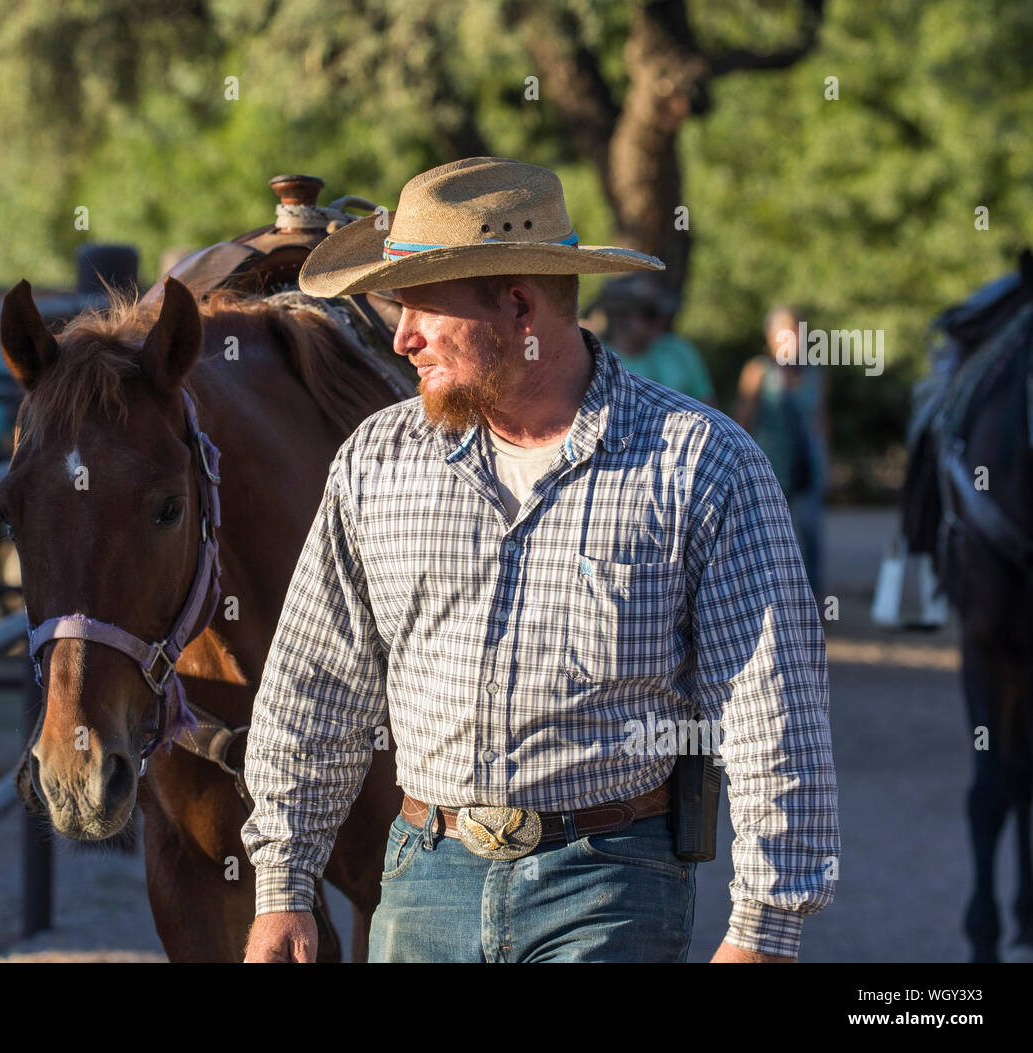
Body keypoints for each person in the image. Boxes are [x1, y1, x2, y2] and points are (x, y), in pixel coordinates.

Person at [240, 157, 838, 963]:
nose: (400, 335)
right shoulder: (376, 462)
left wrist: (764, 930)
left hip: (611, 884)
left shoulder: (701, 463)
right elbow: (315, 684)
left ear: (520, 306)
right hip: (424, 879)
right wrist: (283, 884)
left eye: (420, 306)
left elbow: (773, 708)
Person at [734, 305, 829, 597]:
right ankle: (767, 597)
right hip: (769, 468)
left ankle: (813, 600)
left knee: (811, 533)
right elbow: (741, 423)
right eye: (785, 330)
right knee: (768, 536)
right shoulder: (758, 371)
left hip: (807, 467)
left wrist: (827, 464)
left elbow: (821, 422)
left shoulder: (814, 373)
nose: (793, 337)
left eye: (797, 330)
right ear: (771, 336)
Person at [582, 273, 716, 406]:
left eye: (662, 313)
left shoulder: (680, 351)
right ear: (620, 316)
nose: (660, 320)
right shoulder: (595, 359)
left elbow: (709, 409)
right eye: (650, 314)